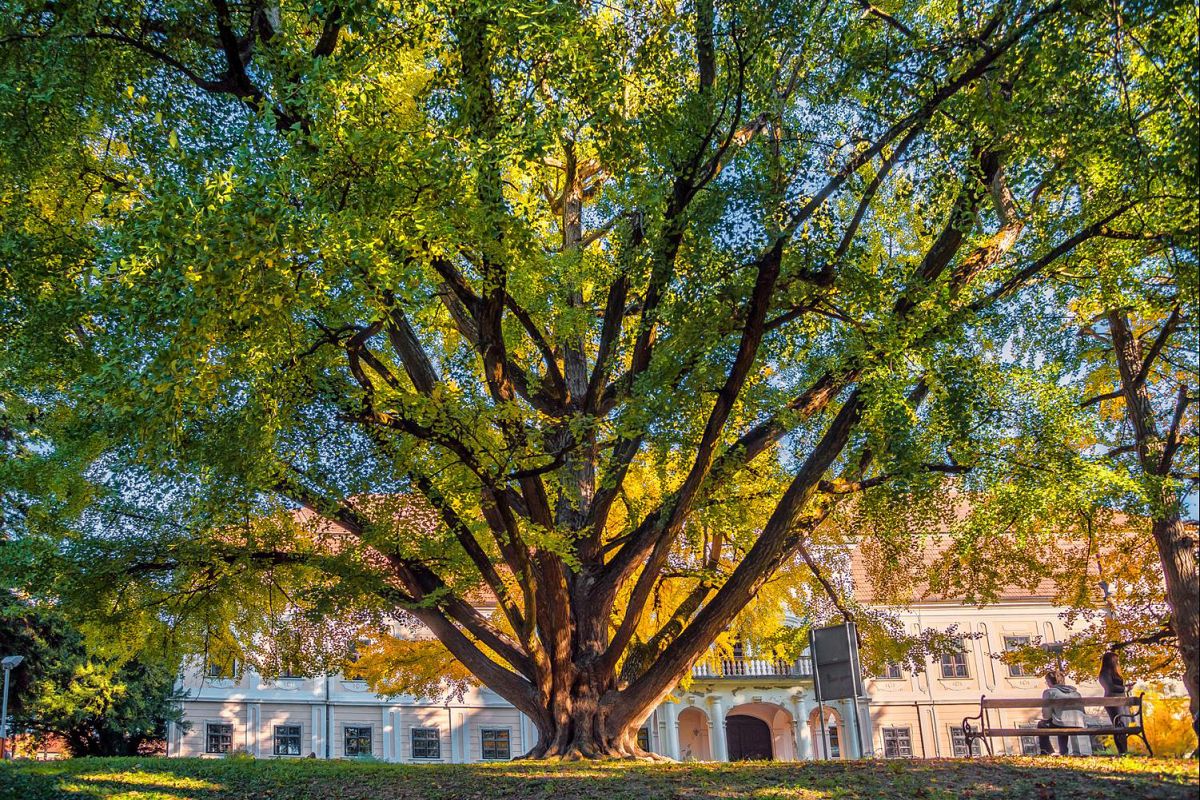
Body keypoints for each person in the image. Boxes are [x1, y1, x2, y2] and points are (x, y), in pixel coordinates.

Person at [1038, 670, 1086, 755]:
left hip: (1061, 723)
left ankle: (1046, 751)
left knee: (1042, 724)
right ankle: (1064, 752)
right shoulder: (1076, 693)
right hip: (1078, 723)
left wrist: (1049, 718)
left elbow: (1046, 715)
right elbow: (1082, 711)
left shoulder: (1049, 692)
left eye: (1047, 682)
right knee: (1061, 721)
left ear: (1049, 682)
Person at [1098, 651, 1129, 755]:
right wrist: (1124, 688)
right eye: (1116, 660)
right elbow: (1110, 687)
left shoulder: (1114, 673)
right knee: (1118, 724)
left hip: (1120, 700)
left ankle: (1124, 750)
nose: (1117, 662)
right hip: (1112, 701)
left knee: (1123, 725)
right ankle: (1122, 751)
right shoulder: (1105, 673)